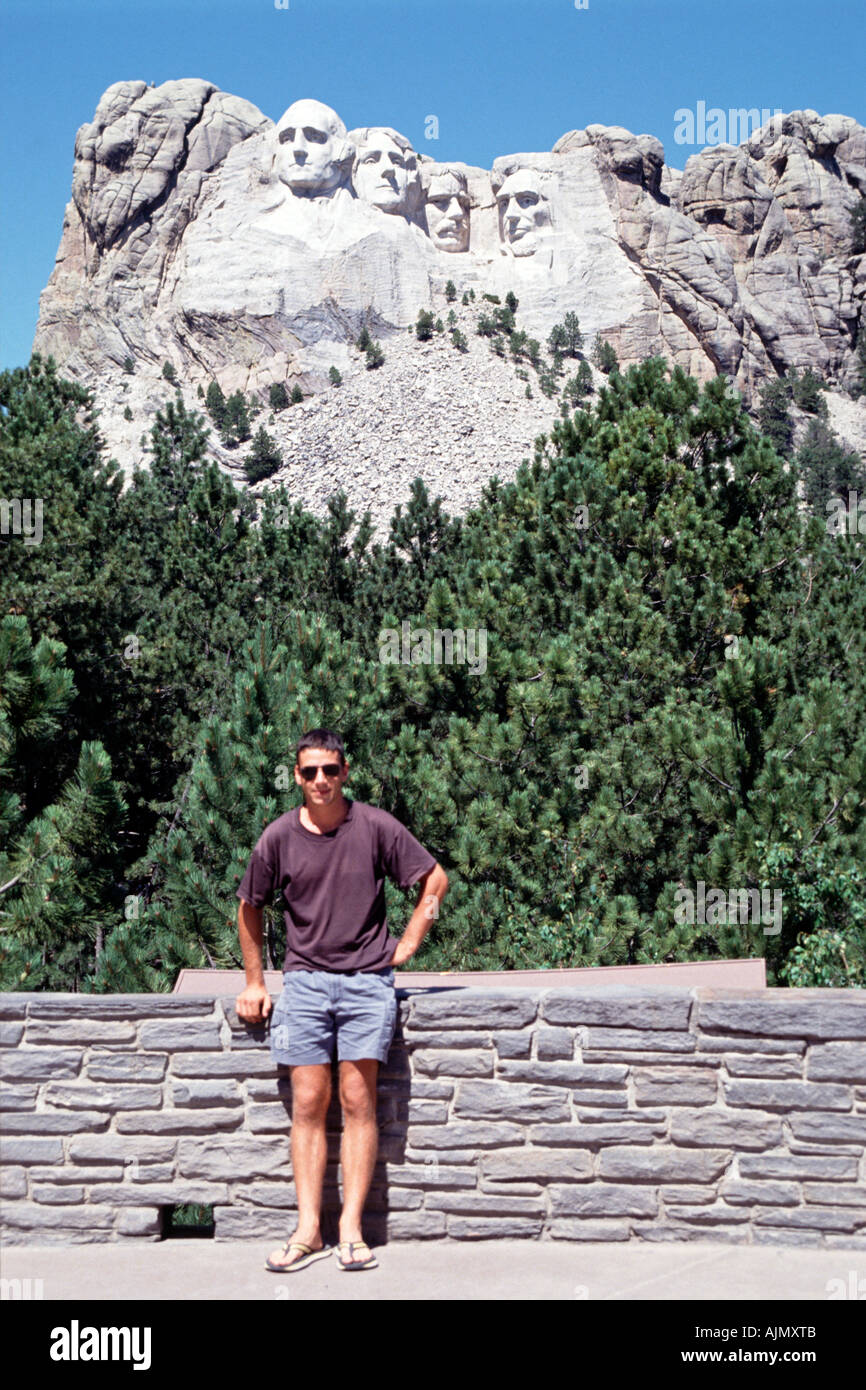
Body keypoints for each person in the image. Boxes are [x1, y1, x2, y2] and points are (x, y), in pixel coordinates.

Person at [235, 728, 448, 1273]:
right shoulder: (279, 836)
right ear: (297, 777)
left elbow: (435, 881)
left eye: (330, 770)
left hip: (366, 982)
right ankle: (308, 1228)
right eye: (310, 772)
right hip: (304, 984)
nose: (321, 781)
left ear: (345, 771)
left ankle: (351, 1230)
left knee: (358, 1102)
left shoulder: (374, 826)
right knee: (308, 1104)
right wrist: (255, 982)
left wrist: (409, 942)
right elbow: (248, 905)